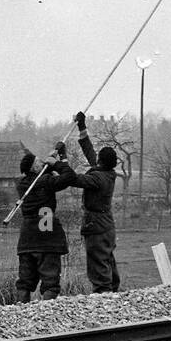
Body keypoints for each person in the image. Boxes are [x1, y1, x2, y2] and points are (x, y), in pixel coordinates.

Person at [53, 111, 120, 293]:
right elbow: (89, 150)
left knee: (97, 260)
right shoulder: (107, 173)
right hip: (106, 224)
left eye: (98, 157)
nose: (95, 157)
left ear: (101, 161)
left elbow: (72, 179)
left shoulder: (98, 179)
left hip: (96, 224)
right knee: (106, 258)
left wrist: (59, 162)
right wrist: (82, 127)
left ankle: (103, 295)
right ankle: (113, 293)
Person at [13, 144, 72, 302]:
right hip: (47, 237)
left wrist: (48, 164)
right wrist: (59, 161)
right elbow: (68, 177)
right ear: (33, 168)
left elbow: (40, 176)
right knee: (51, 282)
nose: (42, 163)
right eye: (39, 162)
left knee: (25, 282)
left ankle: (19, 312)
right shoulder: (46, 181)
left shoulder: (22, 184)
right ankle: (46, 313)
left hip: (27, 240)